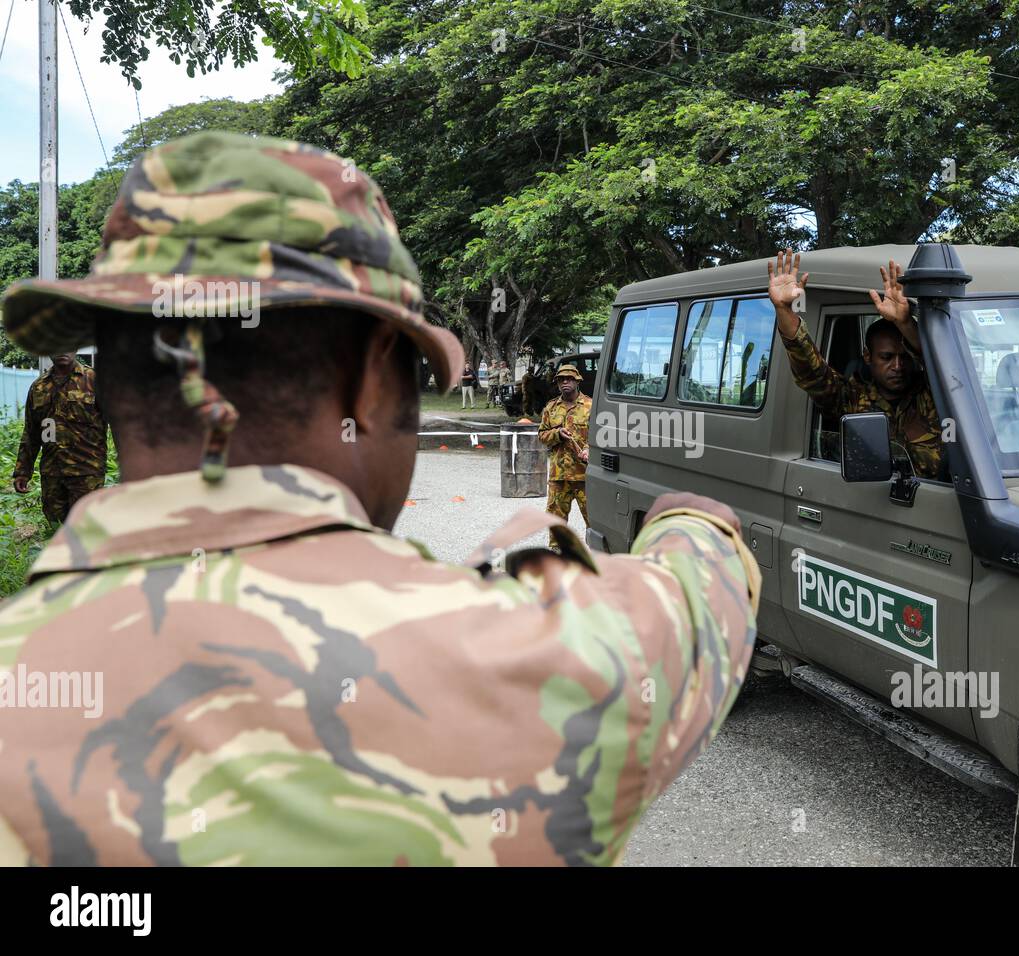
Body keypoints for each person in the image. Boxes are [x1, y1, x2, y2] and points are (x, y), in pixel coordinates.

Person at [0, 130, 761, 866]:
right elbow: (698, 599)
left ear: (106, 385)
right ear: (372, 382)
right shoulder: (534, 657)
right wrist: (691, 520)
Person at [768, 248, 944, 479]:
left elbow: (944, 370)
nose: (898, 366)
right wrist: (784, 311)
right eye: (887, 357)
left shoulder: (930, 392)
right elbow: (813, 373)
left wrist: (906, 324)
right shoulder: (850, 398)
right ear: (868, 356)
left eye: (905, 356)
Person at [11, 351, 108, 525]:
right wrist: (23, 471)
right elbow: (31, 433)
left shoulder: (95, 381)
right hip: (52, 474)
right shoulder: (38, 387)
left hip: (86, 473)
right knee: (55, 528)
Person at [538, 364, 591, 548]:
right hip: (559, 477)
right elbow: (542, 435)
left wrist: (589, 449)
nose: (565, 382)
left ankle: (599, 560)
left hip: (584, 476)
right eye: (561, 379)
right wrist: (556, 434)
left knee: (595, 520)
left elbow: (601, 436)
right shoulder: (551, 408)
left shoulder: (590, 406)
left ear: (577, 381)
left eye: (569, 378)